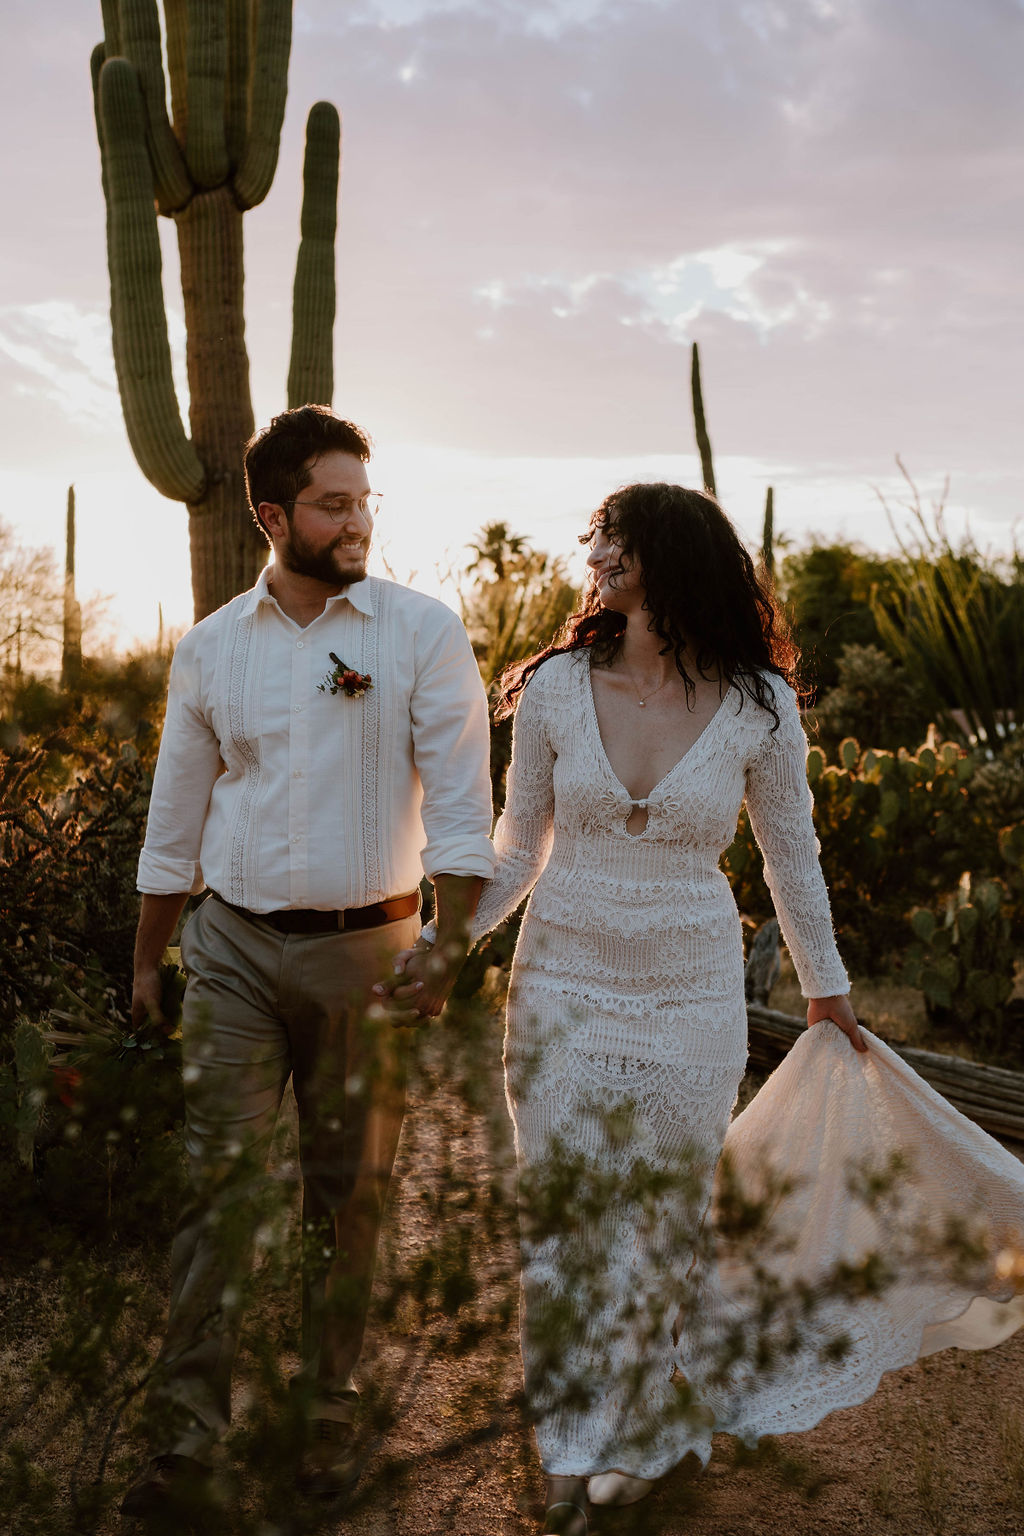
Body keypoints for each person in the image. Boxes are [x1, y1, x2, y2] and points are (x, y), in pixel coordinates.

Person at [385, 481, 1024, 1536]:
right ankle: (573, 1444)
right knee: (568, 1219)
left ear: (672, 558)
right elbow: (515, 847)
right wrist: (448, 945)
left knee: (660, 1226)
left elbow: (792, 858)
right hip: (563, 990)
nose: (595, 557)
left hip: (689, 995)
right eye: (595, 543)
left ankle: (642, 1426)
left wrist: (827, 990)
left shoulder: (757, 706)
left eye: (616, 543)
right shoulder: (552, 688)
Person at [122, 406, 495, 1517]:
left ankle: (325, 1412)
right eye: (333, 504)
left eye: (363, 501)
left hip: (366, 952)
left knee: (351, 1196)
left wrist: (448, 940)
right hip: (230, 946)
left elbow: (467, 809)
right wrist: (147, 962)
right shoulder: (211, 647)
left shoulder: (419, 632)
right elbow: (172, 820)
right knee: (218, 1191)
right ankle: (186, 1439)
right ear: (273, 515)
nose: (355, 523)